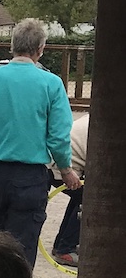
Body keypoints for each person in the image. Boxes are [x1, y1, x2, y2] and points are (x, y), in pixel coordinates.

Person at [0, 19, 80, 268]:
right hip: (30, 176)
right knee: (22, 253)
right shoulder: (51, 83)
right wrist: (66, 170)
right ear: (41, 48)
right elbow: (58, 137)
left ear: (11, 46)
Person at [51, 111, 89, 267]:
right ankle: (65, 250)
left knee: (79, 198)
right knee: (92, 200)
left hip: (57, 163)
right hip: (63, 167)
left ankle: (61, 245)